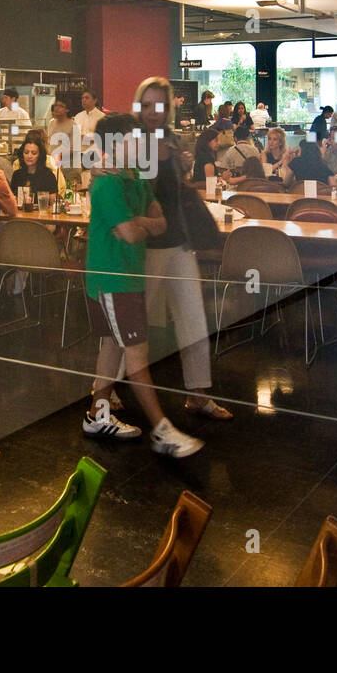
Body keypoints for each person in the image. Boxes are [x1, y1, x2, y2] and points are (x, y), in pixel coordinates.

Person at [81, 112, 204, 458]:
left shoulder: (134, 175)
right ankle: (162, 431)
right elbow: (133, 231)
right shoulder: (106, 183)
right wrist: (143, 223)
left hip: (126, 276)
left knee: (112, 347)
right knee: (137, 356)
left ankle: (97, 415)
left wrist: (141, 222)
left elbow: (159, 221)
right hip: (113, 279)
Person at [134, 77, 231, 419]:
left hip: (178, 242)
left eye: (159, 105)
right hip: (148, 246)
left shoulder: (171, 142)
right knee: (132, 320)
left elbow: (176, 193)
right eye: (146, 105)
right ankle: (103, 390)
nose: (153, 112)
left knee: (193, 318)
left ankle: (198, 394)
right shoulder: (131, 143)